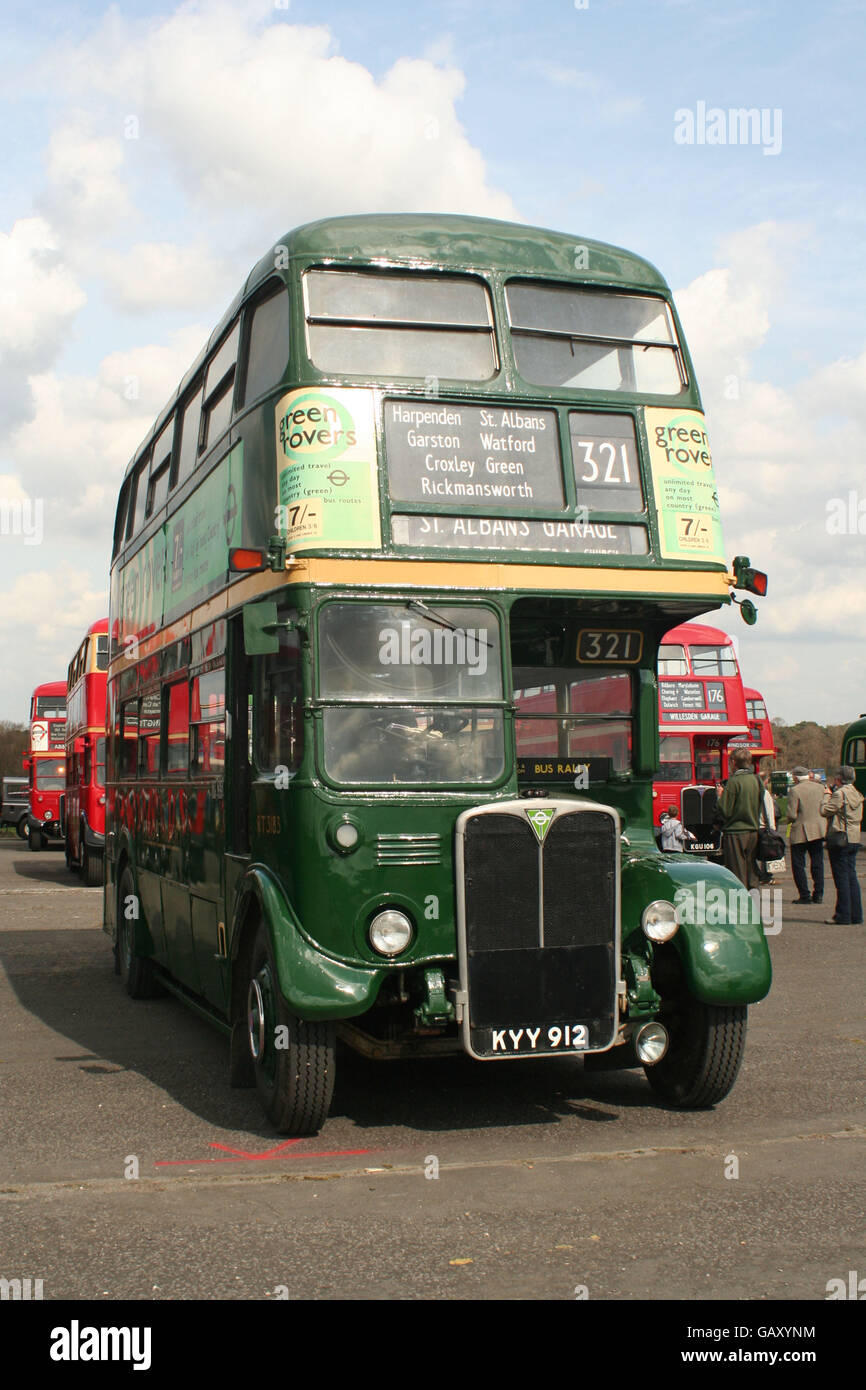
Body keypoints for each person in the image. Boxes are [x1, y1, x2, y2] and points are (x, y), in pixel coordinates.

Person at [820, 766, 863, 925]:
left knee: (841, 878)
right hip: (853, 837)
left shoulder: (839, 794)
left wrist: (826, 796)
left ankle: (843, 914)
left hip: (840, 838)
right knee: (851, 877)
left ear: (839, 779)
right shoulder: (856, 793)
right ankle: (856, 914)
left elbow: (824, 811)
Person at [718, 748, 762, 887]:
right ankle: (754, 901)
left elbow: (725, 810)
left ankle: (740, 904)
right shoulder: (757, 780)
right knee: (752, 872)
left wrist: (720, 796)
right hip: (753, 831)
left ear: (733, 762)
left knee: (737, 873)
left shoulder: (733, 782)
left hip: (735, 832)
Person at [786, 764, 827, 904]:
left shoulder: (794, 790)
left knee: (798, 864)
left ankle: (804, 894)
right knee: (817, 862)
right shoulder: (820, 787)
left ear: (796, 777)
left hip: (801, 830)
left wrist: (788, 820)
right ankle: (819, 893)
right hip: (818, 829)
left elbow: (791, 814)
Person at [755, 768, 780, 885]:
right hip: (764, 826)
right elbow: (769, 812)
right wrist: (772, 828)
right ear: (766, 781)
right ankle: (766, 876)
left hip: (754, 826)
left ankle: (758, 874)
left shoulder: (752, 792)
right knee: (766, 852)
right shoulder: (765, 793)